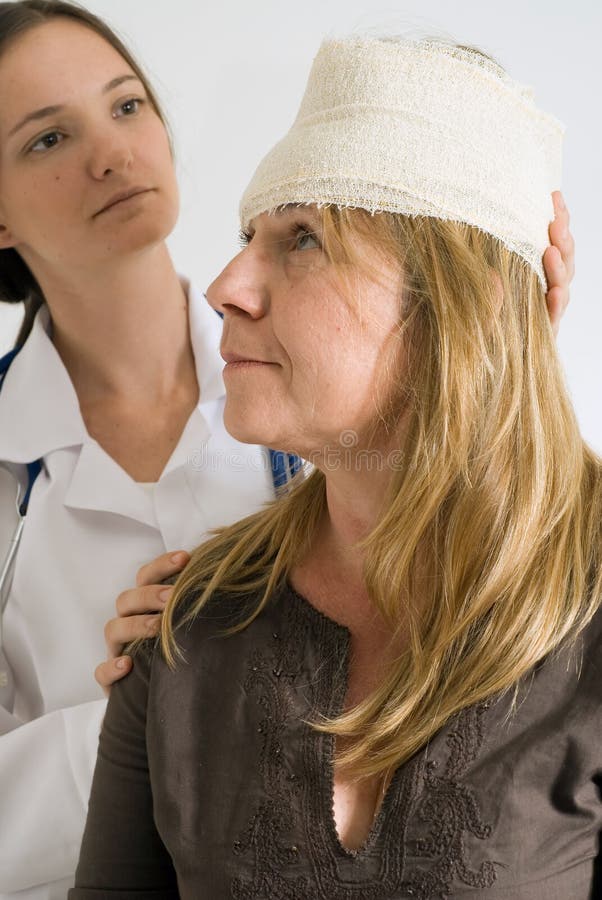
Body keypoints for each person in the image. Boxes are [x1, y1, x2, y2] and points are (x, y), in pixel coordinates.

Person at [71, 36, 600, 899]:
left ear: (462, 307)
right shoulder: (186, 627)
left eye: (305, 238)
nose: (227, 285)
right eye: (250, 236)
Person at [0, 2, 300, 897]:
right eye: (48, 140)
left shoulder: (327, 376)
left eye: (126, 106)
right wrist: (156, 721)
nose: (110, 154)